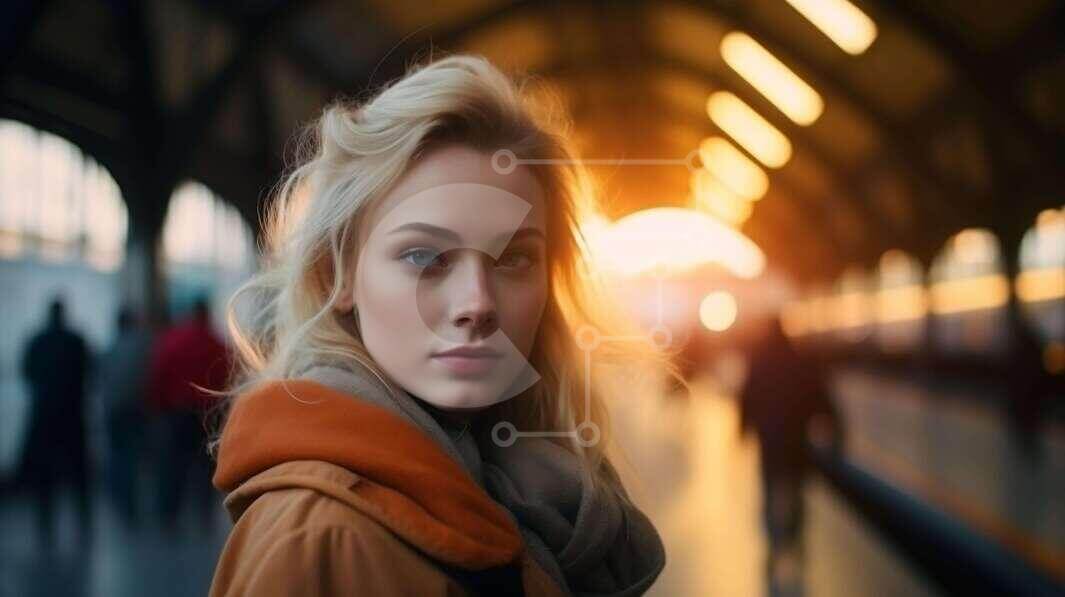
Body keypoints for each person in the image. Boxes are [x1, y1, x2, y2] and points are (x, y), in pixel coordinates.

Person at [207, 54, 674, 596]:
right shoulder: (319, 541)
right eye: (424, 257)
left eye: (514, 259)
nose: (477, 303)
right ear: (337, 274)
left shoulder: (532, 501)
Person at [739, 314, 842, 593]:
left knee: (772, 491)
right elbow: (823, 397)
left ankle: (775, 542)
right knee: (795, 493)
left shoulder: (759, 362)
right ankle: (794, 540)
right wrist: (835, 432)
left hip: (769, 444)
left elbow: (746, 397)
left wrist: (742, 431)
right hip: (796, 444)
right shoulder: (801, 360)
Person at [148, 297, 231, 533]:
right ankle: (203, 515)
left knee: (174, 466)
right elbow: (227, 379)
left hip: (177, 412)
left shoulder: (173, 340)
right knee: (204, 466)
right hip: (207, 413)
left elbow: (159, 374)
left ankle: (170, 516)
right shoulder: (216, 343)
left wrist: (158, 406)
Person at [19, 296, 94, 549]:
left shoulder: (37, 341)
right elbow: (89, 373)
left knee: (45, 474)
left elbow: (27, 373)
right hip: (73, 415)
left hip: (44, 416)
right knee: (78, 472)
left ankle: (45, 523)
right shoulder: (76, 341)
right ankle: (84, 521)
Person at [94, 305, 154, 528]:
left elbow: (100, 379)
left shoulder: (109, 349)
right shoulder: (143, 347)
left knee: (118, 456)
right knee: (134, 456)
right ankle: (132, 501)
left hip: (114, 410)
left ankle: (122, 499)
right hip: (137, 410)